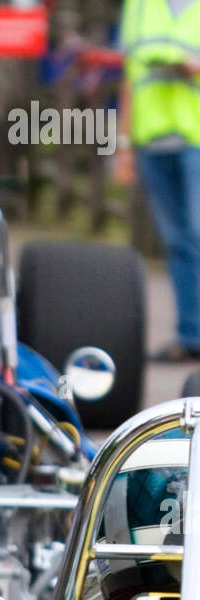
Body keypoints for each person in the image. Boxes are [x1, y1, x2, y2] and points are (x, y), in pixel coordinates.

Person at [118, 0, 200, 363]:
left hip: (196, 139)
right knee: (178, 242)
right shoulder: (138, 6)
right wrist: (123, 145)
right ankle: (191, 337)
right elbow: (129, 79)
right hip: (152, 141)